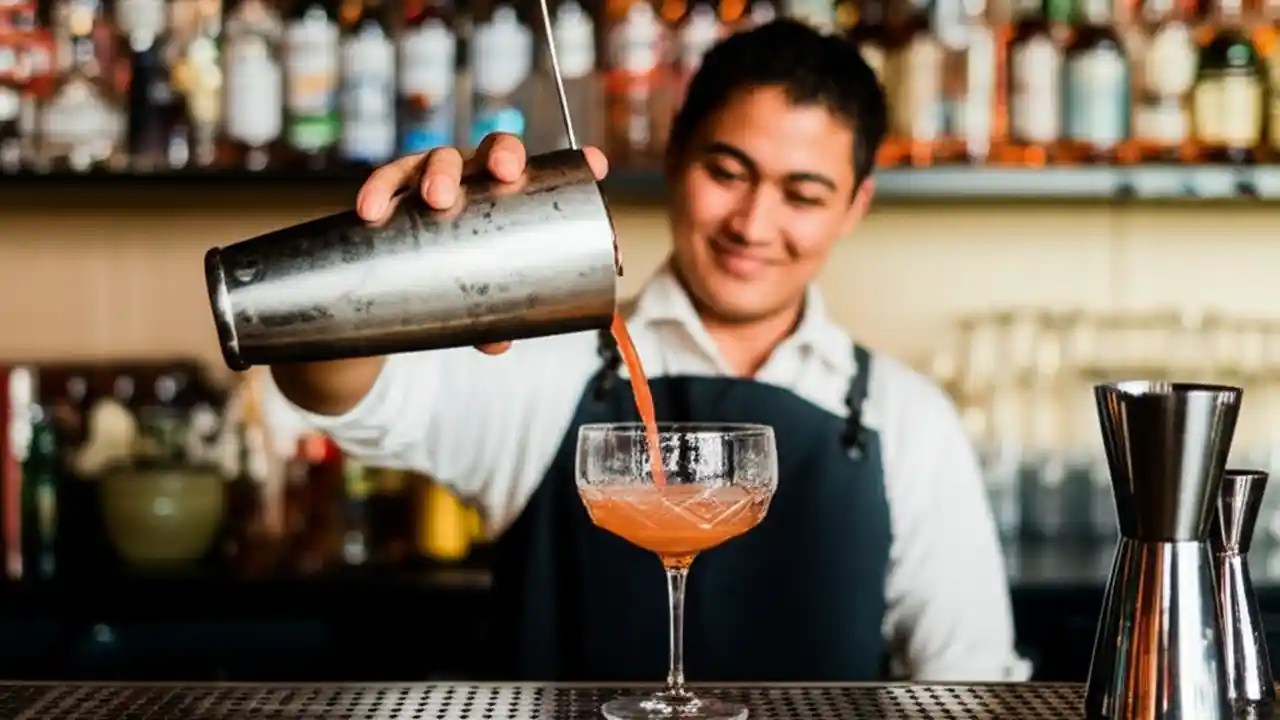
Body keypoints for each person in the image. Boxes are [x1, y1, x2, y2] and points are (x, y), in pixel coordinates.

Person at [264, 19, 1031, 683]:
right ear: (674, 156)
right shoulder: (545, 364)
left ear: (855, 205)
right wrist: (370, 259)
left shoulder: (908, 420)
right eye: (726, 173)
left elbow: (967, 680)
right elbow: (342, 389)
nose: (754, 224)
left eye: (803, 194)